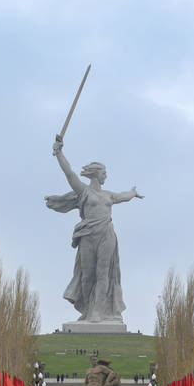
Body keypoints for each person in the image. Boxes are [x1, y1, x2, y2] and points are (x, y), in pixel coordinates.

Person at [46, 138, 143, 323]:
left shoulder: (109, 195)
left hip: (106, 234)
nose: (106, 176)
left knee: (103, 273)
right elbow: (69, 174)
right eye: (104, 173)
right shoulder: (84, 192)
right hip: (87, 236)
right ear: (96, 174)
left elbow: (124, 196)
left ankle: (98, 311)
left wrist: (133, 192)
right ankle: (88, 310)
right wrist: (59, 153)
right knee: (87, 275)